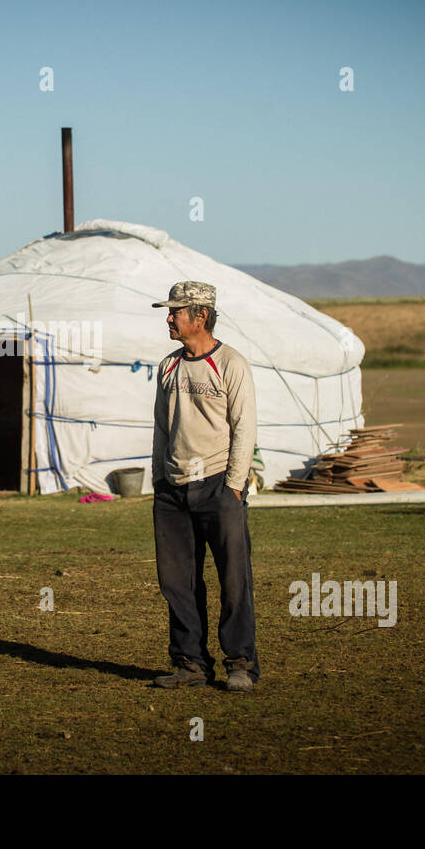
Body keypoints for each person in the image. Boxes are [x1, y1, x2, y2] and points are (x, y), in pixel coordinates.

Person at [150, 280, 259, 691]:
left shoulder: (231, 364)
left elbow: (244, 427)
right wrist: (160, 477)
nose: (169, 318)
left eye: (175, 311)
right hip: (173, 490)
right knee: (177, 583)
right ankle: (190, 665)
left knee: (233, 579)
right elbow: (162, 426)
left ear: (201, 316)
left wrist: (234, 486)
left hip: (218, 486)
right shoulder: (168, 366)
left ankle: (241, 665)